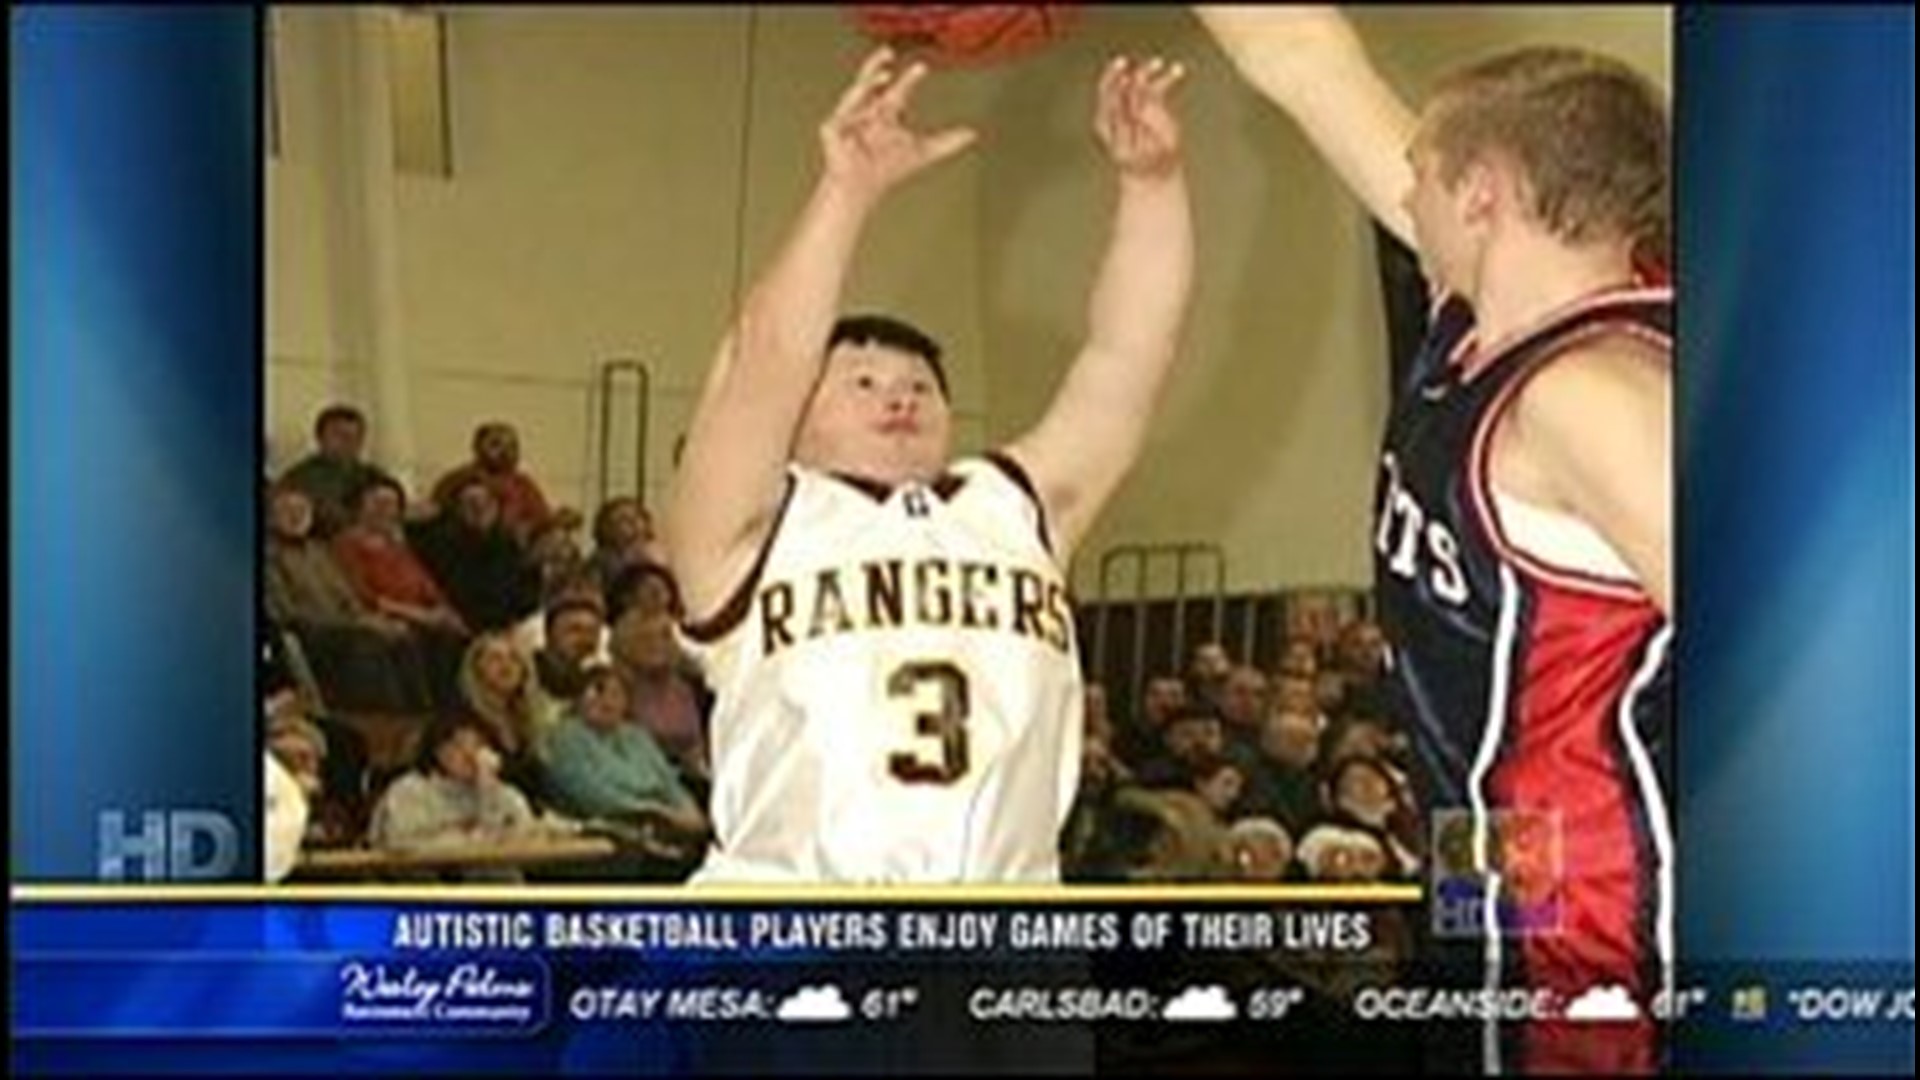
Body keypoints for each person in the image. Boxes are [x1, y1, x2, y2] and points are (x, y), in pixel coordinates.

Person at [1197, 8, 1673, 1073]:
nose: (1401, 192)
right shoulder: (1483, 325)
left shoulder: (1595, 392)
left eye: (1420, 172)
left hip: (1594, 923)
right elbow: (1303, 55)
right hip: (1486, 857)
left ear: (1482, 193)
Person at [665, 49, 1194, 883]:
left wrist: (1153, 183)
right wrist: (846, 192)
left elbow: (1129, 355)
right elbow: (765, 358)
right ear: (795, 420)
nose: (899, 397)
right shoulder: (745, 527)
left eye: (919, 385)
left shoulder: (1014, 505)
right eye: (863, 381)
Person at [541, 665, 709, 868]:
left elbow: (669, 783)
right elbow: (591, 796)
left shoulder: (636, 735)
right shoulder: (566, 737)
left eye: (616, 693)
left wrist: (689, 813)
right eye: (597, 690)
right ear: (578, 697)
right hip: (609, 825)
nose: (606, 700)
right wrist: (659, 813)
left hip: (665, 825)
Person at [367, 714, 542, 882]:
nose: (469, 754)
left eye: (478, 744)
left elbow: (525, 838)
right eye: (457, 745)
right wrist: (467, 840)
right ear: (437, 751)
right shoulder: (409, 791)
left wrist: (487, 790)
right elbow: (400, 847)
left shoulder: (503, 794)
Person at [410, 477, 542, 633]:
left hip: (504, 630)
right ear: (458, 509)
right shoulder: (440, 543)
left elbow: (526, 595)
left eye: (486, 503)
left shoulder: (509, 547)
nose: (480, 509)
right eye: (471, 503)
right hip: (454, 630)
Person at [429, 422, 576, 547]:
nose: (505, 452)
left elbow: (540, 519)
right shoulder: (458, 480)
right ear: (476, 447)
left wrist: (554, 522)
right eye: (495, 444)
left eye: (512, 446)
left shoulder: (523, 485)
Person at [277, 404, 399, 538]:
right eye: (339, 435)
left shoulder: (373, 475)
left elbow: (394, 509)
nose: (347, 442)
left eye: (355, 437)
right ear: (320, 437)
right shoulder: (299, 478)